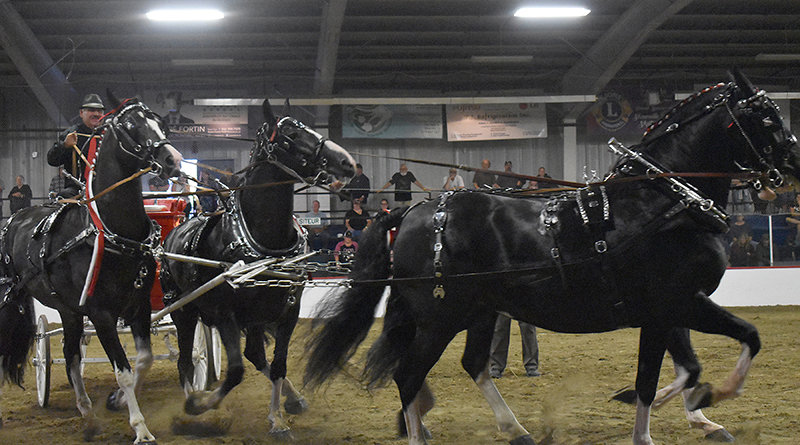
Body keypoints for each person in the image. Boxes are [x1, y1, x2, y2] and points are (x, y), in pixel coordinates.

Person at [47, 93, 106, 198]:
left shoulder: (108, 135)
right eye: (91, 110)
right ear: (81, 113)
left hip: (105, 189)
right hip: (77, 189)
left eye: (100, 111)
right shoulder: (72, 133)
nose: (96, 114)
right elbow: (52, 160)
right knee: (64, 199)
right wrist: (64, 145)